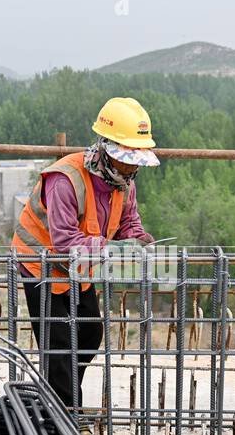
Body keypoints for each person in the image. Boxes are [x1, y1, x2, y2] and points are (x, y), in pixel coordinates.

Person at [11, 97, 159, 414]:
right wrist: (116, 250)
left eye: (137, 158)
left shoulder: (123, 182)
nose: (133, 166)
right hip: (42, 264)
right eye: (127, 157)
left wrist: (137, 238)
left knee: (90, 331)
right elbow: (64, 242)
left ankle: (58, 394)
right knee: (59, 343)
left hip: (80, 266)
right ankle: (64, 413)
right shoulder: (66, 180)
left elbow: (127, 221)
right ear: (106, 149)